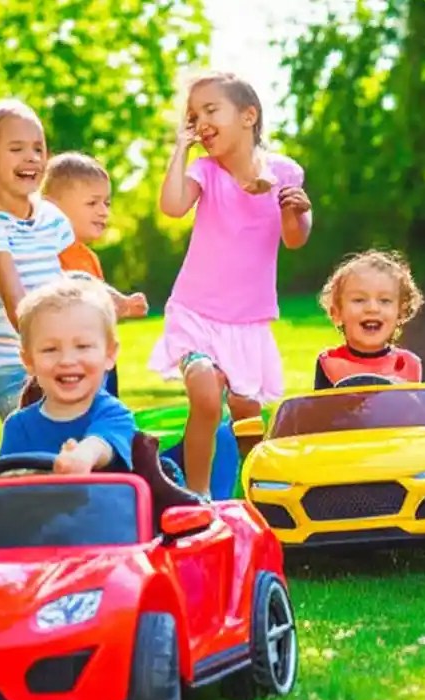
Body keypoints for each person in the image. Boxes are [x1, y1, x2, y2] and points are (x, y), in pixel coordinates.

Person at [150, 71, 313, 496]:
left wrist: (297, 212)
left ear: (248, 116)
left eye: (210, 110)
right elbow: (172, 207)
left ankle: (262, 492)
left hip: (247, 323)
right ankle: (199, 497)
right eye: (193, 116)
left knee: (247, 415)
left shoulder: (284, 172)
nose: (201, 122)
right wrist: (180, 148)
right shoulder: (205, 171)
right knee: (206, 396)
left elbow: (294, 239)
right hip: (195, 313)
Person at [0, 98, 72, 420]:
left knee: (86, 434)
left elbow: (74, 276)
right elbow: (17, 306)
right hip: (13, 364)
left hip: (58, 354)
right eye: (17, 148)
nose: (32, 157)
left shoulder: (50, 217)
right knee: (41, 440)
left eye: (38, 148)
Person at [0, 277, 136, 475]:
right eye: (50, 349)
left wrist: (84, 455)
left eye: (83, 346)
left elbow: (101, 445)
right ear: (29, 361)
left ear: (109, 354)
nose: (67, 360)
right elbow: (3, 482)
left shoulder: (114, 415)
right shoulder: (18, 427)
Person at [41, 151, 150, 396]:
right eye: (92, 203)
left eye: (106, 203)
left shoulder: (89, 258)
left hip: (99, 360)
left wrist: (122, 308)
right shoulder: (48, 255)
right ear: (51, 208)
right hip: (70, 366)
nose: (103, 211)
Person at [314, 249, 424, 389]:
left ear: (401, 312)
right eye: (359, 300)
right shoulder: (330, 363)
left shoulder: (407, 364)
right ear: (336, 312)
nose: (372, 308)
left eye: (384, 301)